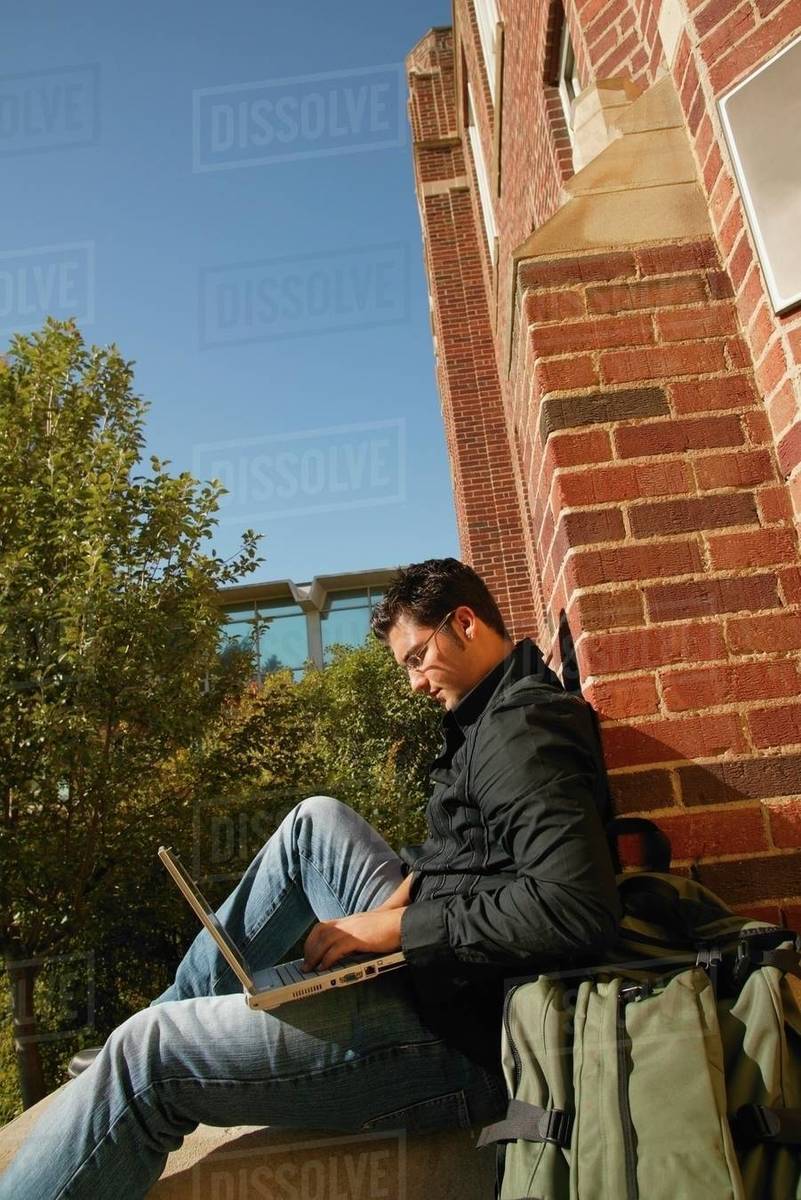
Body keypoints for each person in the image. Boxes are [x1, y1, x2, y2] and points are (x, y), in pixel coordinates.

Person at [0, 558, 620, 1199]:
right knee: (311, 825)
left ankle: (128, 1068)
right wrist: (411, 889)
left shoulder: (522, 733)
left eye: (415, 659)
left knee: (145, 1055)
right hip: (440, 962)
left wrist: (398, 926)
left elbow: (574, 908)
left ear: (464, 623)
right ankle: (174, 1012)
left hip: (462, 1037)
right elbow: (478, 852)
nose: (413, 684)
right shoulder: (486, 714)